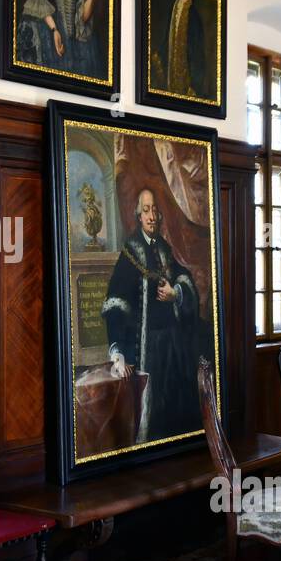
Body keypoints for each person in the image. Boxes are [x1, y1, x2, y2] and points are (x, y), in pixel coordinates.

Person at [101, 188, 202, 443]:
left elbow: (183, 277)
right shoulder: (130, 253)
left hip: (172, 347)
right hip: (147, 351)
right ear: (138, 216)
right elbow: (116, 303)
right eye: (146, 210)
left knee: (177, 413)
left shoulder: (164, 248)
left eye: (155, 210)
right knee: (153, 419)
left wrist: (176, 293)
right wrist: (118, 351)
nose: (152, 216)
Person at [151, 0, 209, 99]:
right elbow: (167, 40)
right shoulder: (172, 8)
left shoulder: (194, 17)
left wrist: (194, 86)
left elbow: (198, 56)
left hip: (187, 87)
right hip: (170, 79)